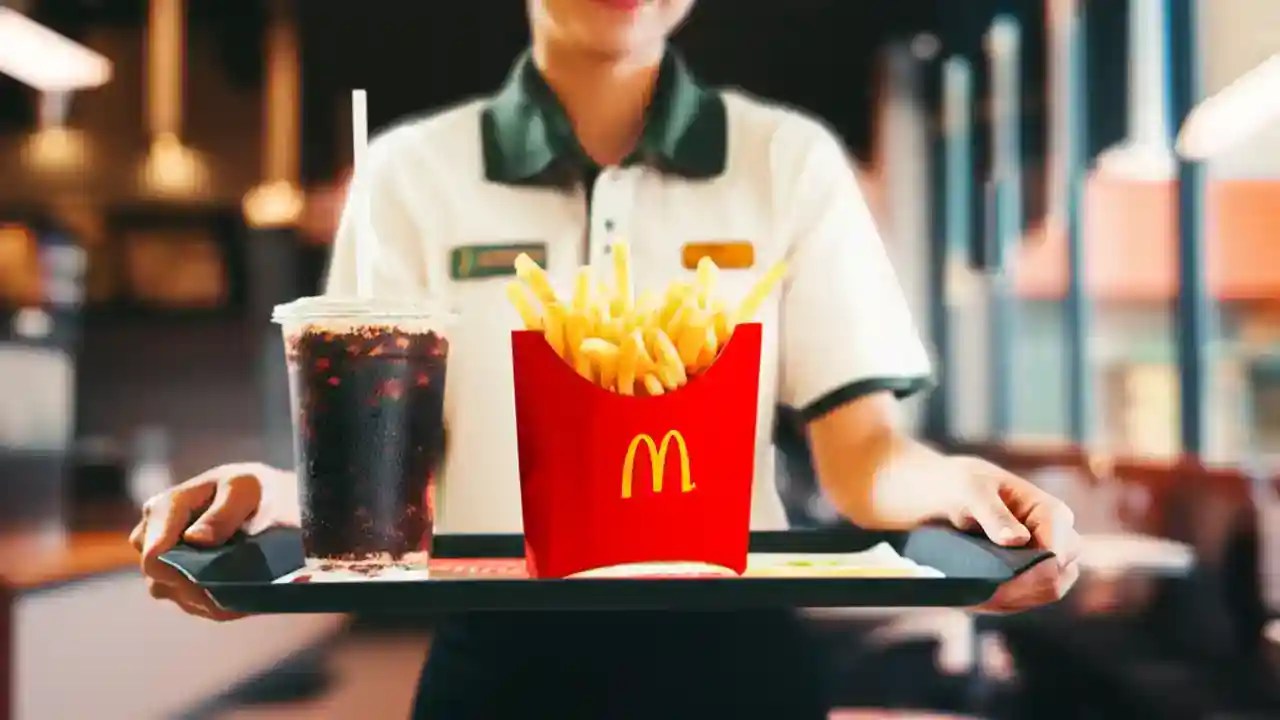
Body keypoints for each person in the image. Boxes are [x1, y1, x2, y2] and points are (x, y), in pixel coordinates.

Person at [132, 0, 1080, 717]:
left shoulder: (789, 160)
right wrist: (270, 501)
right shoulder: (409, 173)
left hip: (739, 666)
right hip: (502, 666)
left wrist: (965, 492)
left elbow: (865, 458)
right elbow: (376, 472)